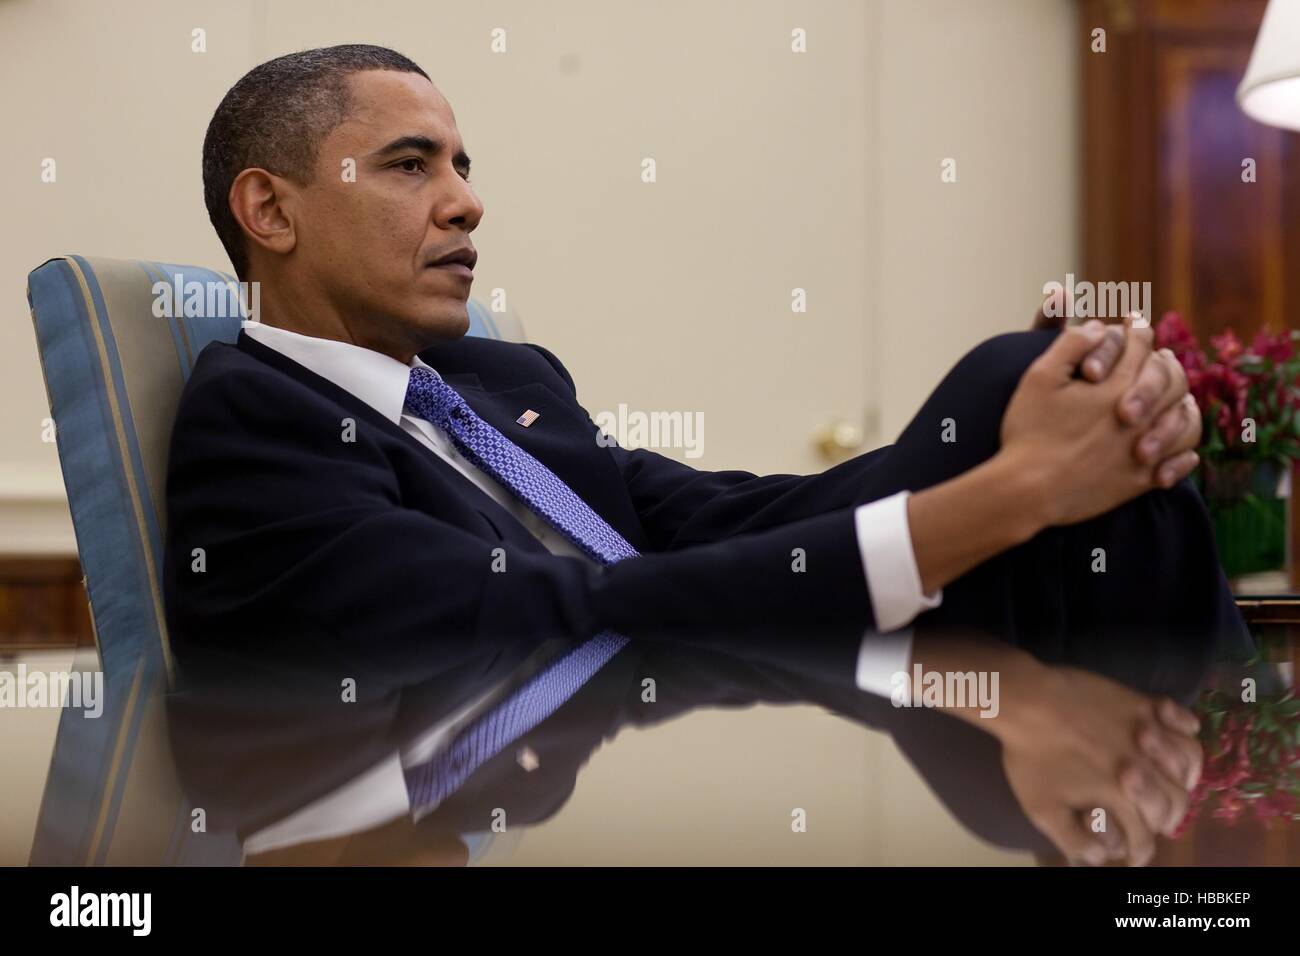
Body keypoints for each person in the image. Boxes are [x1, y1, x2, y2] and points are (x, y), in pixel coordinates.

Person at [165, 44, 1239, 867]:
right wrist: (1004, 497)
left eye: (461, 164)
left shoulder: (504, 382)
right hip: (638, 718)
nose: (466, 200)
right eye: (410, 165)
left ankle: (1227, 789)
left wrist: (1040, 437)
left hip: (721, 677)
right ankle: (1237, 797)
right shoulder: (255, 422)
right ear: (269, 209)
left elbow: (733, 514)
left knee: (1033, 376)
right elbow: (532, 611)